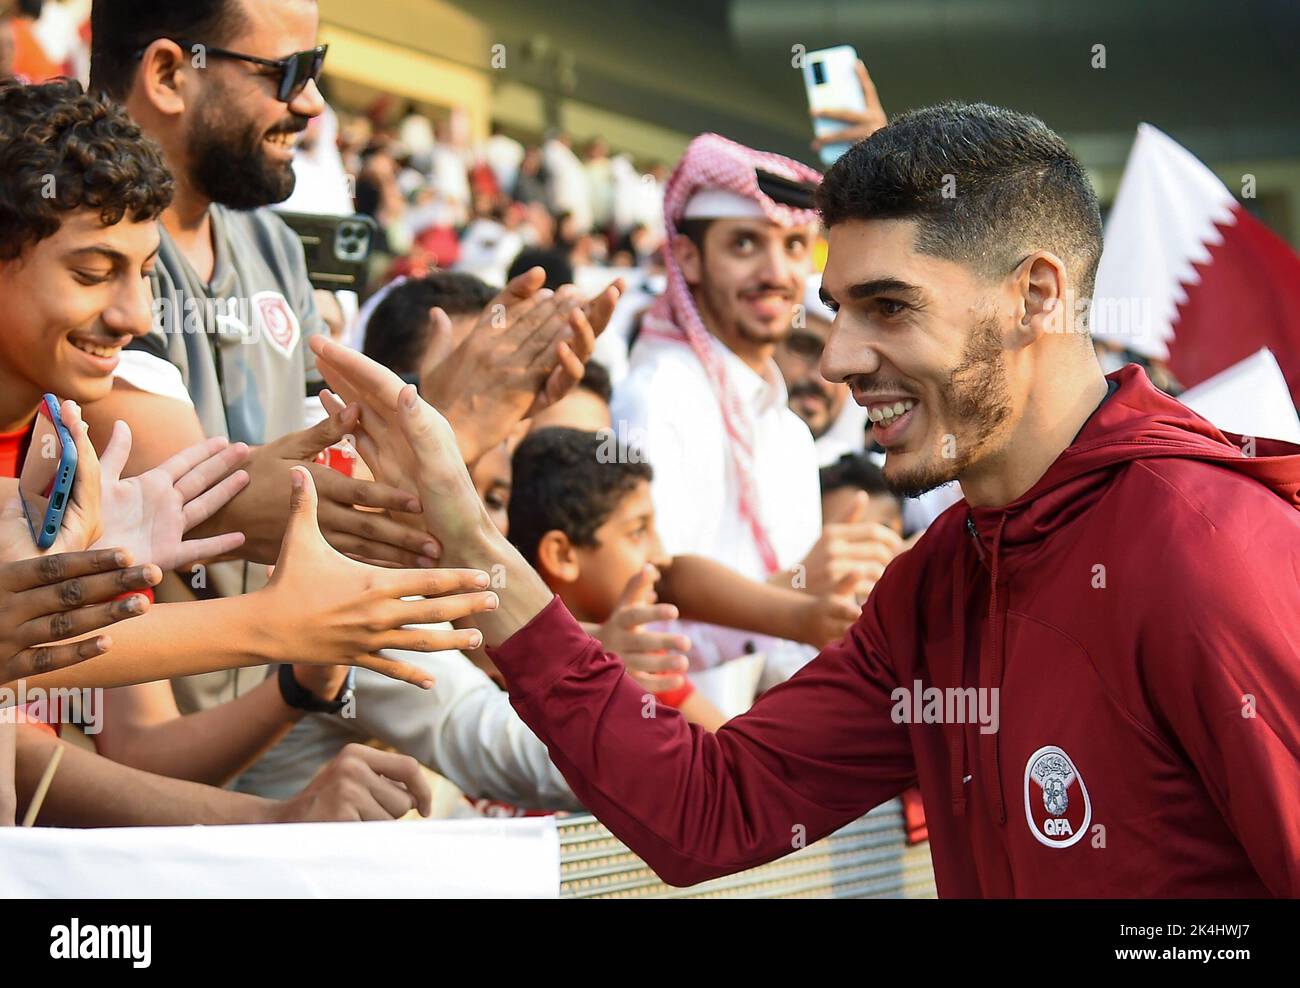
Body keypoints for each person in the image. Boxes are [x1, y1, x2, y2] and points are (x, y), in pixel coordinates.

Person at [312, 99, 1300, 897]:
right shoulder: (938, 579)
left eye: (888, 307)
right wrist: (466, 529)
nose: (835, 357)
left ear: (1036, 296)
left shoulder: (1211, 548)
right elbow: (709, 809)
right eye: (838, 311)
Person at [610, 133, 898, 700]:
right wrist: (796, 597)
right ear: (688, 257)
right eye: (745, 245)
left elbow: (785, 657)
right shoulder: (657, 392)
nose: (775, 272)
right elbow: (642, 607)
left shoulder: (787, 428)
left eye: (793, 246)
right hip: (668, 746)